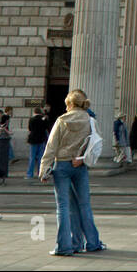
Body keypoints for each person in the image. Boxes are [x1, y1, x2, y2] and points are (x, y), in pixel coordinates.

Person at [39, 89, 106, 255]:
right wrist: (83, 159)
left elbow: (51, 146)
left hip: (61, 165)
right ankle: (92, 242)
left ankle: (65, 246)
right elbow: (96, 144)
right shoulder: (90, 120)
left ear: (70, 104)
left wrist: (44, 168)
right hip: (79, 165)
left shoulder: (62, 120)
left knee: (63, 207)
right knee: (84, 205)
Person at [27, 106, 50, 178]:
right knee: (41, 157)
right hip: (41, 139)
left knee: (32, 157)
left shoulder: (31, 119)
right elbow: (47, 127)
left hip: (33, 139)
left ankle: (30, 174)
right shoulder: (43, 119)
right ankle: (40, 173)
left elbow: (30, 128)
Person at [0, 108, 13, 184]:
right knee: (1, 157)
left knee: (3, 157)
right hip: (1, 139)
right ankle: (1, 173)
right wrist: (8, 132)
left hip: (2, 139)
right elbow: (2, 128)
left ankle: (3, 173)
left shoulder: (0, 119)